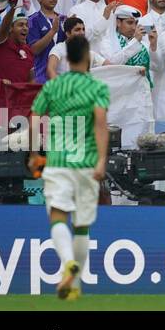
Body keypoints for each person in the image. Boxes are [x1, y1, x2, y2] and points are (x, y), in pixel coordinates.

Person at [30, 34, 109, 301]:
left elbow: (34, 119)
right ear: (87, 57)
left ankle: (67, 264)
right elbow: (101, 124)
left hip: (58, 161)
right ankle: (74, 282)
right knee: (83, 226)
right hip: (87, 164)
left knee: (58, 216)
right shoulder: (97, 87)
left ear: (65, 58)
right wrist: (101, 159)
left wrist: (33, 154)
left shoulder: (53, 87)